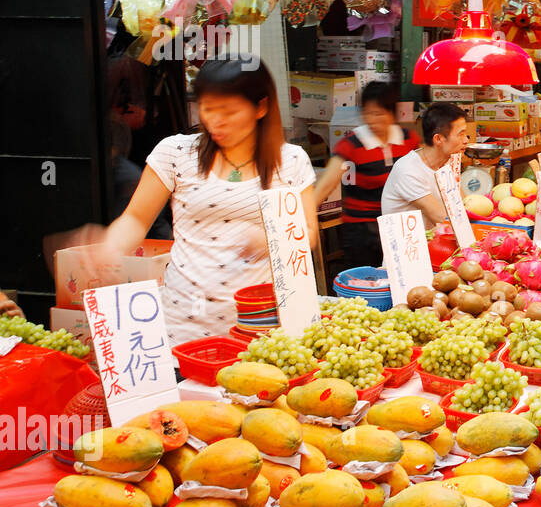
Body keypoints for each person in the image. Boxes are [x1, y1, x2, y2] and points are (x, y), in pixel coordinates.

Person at [78, 56, 316, 345]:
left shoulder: (291, 161)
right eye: (207, 108)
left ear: (261, 107)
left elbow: (308, 234)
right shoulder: (176, 153)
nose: (215, 120)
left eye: (228, 111)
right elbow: (136, 218)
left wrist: (272, 237)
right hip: (183, 325)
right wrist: (110, 246)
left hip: (264, 327)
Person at [315, 82, 419, 270]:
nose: (372, 120)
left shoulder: (408, 139)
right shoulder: (351, 145)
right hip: (362, 231)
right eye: (368, 113)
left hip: (400, 227)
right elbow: (326, 184)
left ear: (392, 113)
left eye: (378, 113)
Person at [381, 102, 470, 226]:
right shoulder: (408, 170)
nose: (466, 140)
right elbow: (442, 219)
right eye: (460, 134)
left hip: (436, 239)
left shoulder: (447, 161)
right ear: (438, 139)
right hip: (412, 243)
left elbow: (463, 204)